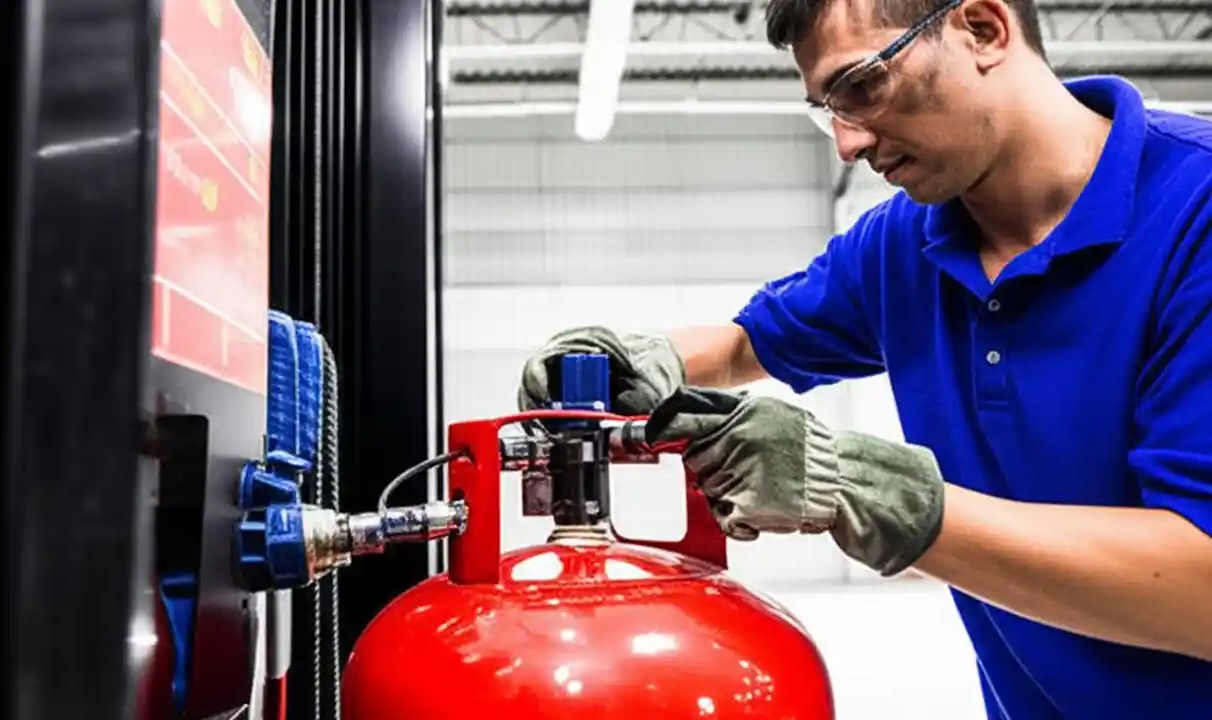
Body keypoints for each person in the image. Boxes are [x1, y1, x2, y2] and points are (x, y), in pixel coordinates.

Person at [516, 0, 1211, 717]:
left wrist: (867, 491)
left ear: (983, 29)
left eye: (861, 85)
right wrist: (640, 362)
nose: (847, 144)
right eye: (828, 109)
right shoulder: (903, 244)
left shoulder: (1197, 213)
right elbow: (748, 343)